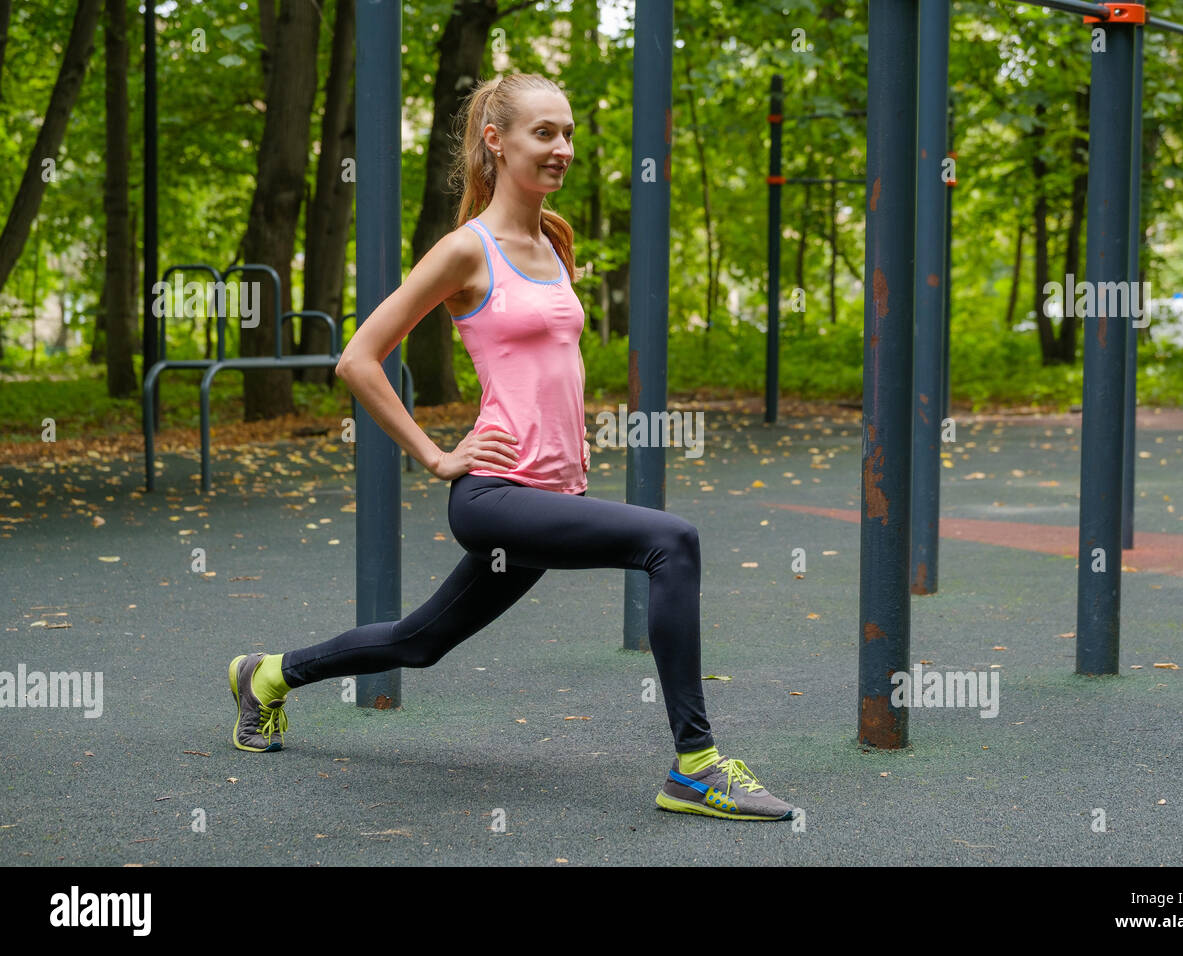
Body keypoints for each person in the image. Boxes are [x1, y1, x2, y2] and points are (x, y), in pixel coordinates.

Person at [227, 72, 793, 822]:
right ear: (496, 140)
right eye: (543, 133)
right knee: (671, 542)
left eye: (567, 133)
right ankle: (695, 767)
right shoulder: (467, 251)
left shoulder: (554, 238)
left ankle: (267, 674)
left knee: (421, 641)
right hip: (496, 498)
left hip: (552, 495)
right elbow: (357, 358)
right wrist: (434, 456)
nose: (561, 148)